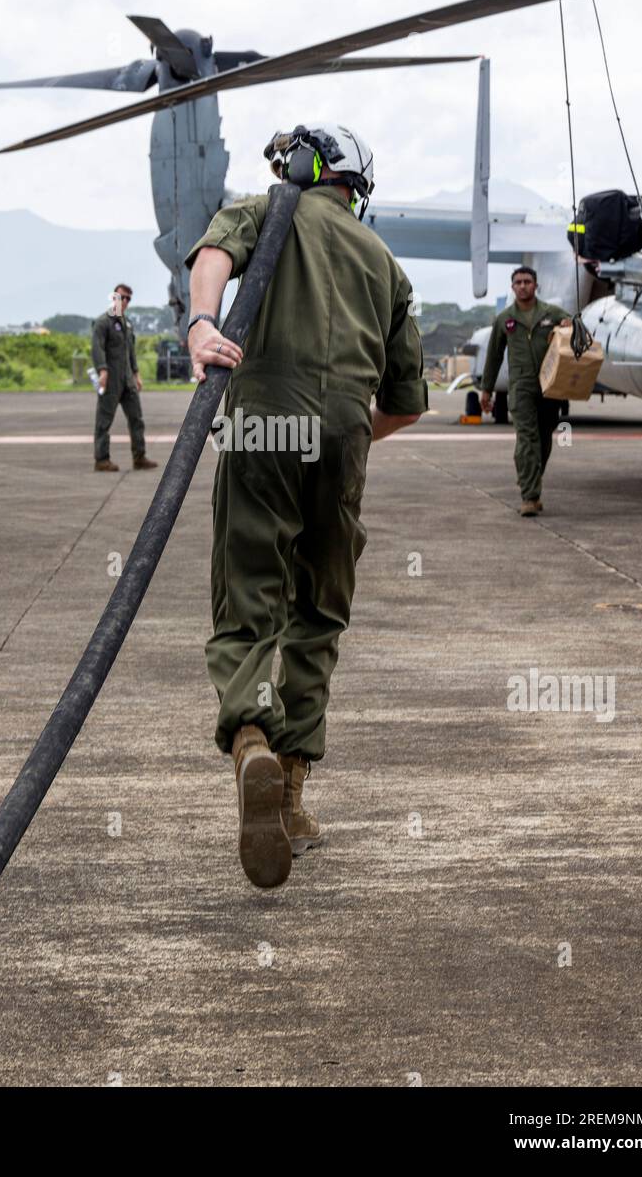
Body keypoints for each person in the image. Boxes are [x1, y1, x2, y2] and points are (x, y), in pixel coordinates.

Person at [184, 124, 426, 890]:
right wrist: (343, 435)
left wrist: (201, 324)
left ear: (304, 165)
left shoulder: (268, 209)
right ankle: (288, 798)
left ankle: (252, 740)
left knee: (249, 596)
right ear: (358, 186)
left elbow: (213, 253)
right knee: (318, 613)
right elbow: (407, 402)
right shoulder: (384, 262)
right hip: (345, 436)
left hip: (262, 423)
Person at [480, 266, 570, 515]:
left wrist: (569, 324)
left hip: (549, 385)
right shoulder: (505, 319)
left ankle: (531, 478)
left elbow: (575, 327)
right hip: (521, 386)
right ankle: (529, 496)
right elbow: (494, 356)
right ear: (512, 287)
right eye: (518, 282)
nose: (522, 286)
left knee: (544, 438)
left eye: (527, 282)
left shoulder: (552, 313)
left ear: (536, 285)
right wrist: (486, 389)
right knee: (527, 438)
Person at [91, 283, 157, 472]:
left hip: (127, 379)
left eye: (128, 298)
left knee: (137, 419)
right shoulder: (103, 322)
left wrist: (136, 374)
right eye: (122, 297)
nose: (125, 301)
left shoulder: (127, 324)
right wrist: (102, 370)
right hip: (111, 379)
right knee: (104, 420)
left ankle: (139, 457)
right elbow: (97, 348)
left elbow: (131, 352)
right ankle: (101, 460)